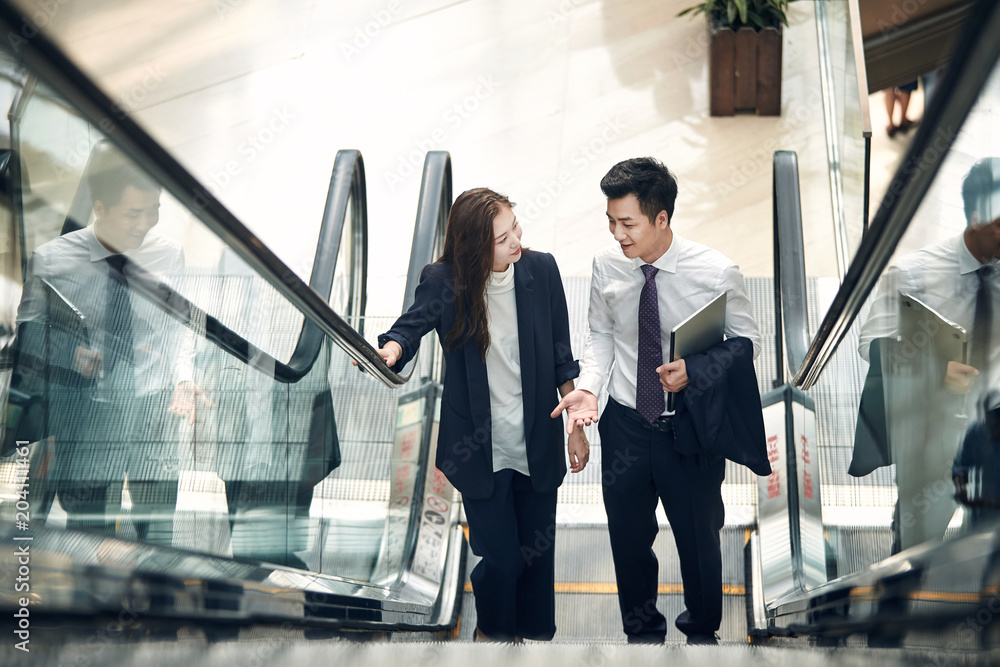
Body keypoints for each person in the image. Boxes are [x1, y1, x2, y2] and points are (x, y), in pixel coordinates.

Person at [552, 158, 761, 645]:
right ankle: (641, 638)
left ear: (661, 218)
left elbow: (745, 342)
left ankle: (702, 634)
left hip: (686, 430)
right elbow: (601, 335)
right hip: (625, 424)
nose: (617, 234)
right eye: (611, 221)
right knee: (628, 543)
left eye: (628, 223)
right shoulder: (607, 265)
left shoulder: (714, 271)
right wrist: (588, 387)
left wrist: (696, 369)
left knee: (699, 543)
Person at [373, 187, 587, 642]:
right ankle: (491, 634)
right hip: (479, 446)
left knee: (535, 554)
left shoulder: (541, 270)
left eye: (516, 227)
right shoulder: (446, 280)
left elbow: (561, 354)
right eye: (502, 237)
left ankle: (532, 640)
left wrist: (575, 425)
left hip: (536, 438)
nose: (516, 241)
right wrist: (391, 348)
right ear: (473, 247)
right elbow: (410, 326)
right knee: (501, 557)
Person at [13, 147, 206, 544]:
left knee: (158, 529)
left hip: (153, 407)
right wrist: (70, 355)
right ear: (99, 207)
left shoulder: (167, 255)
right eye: (132, 214)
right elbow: (30, 335)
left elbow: (180, 326)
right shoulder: (52, 260)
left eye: (152, 210)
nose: (145, 224)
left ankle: (152, 601)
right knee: (90, 529)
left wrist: (183, 378)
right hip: (88, 414)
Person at [857, 157, 1000, 551]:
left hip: (994, 431)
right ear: (975, 217)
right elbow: (872, 343)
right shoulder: (916, 274)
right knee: (918, 538)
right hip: (932, 432)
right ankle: (898, 600)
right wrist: (936, 370)